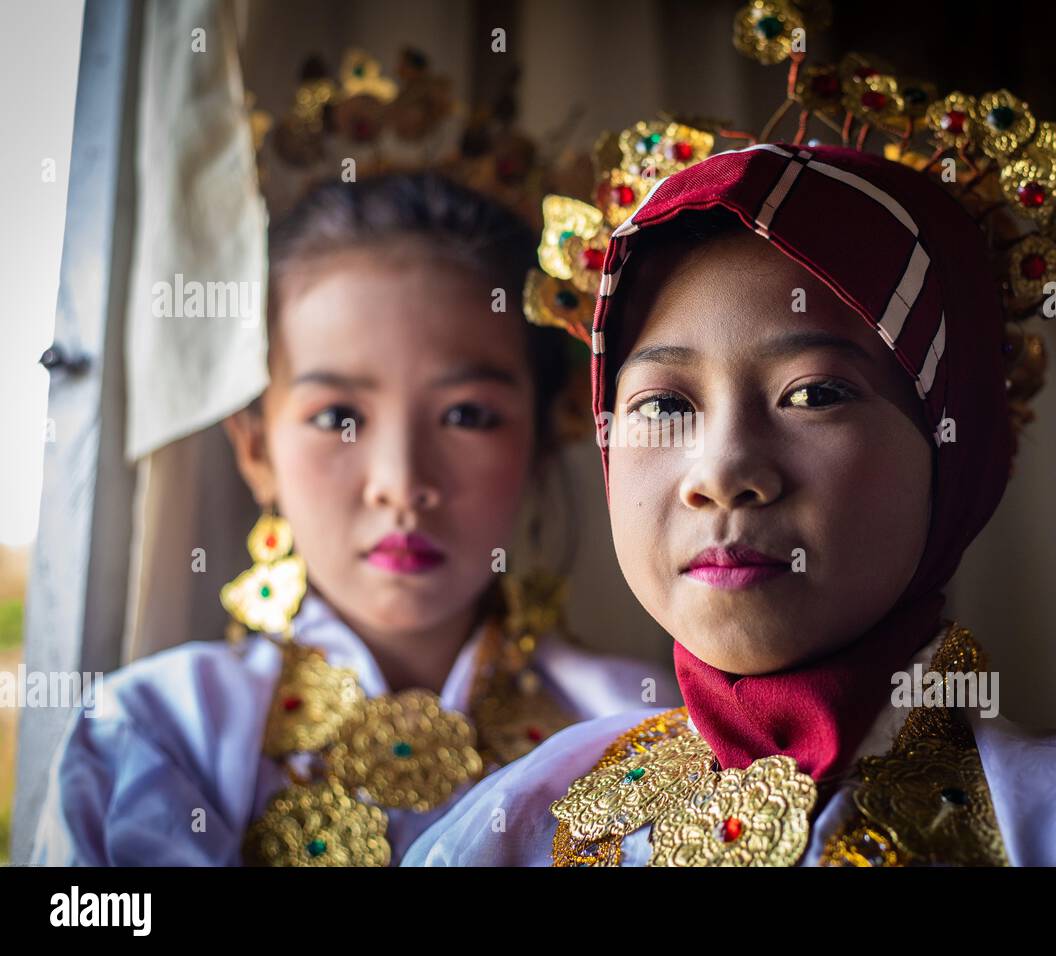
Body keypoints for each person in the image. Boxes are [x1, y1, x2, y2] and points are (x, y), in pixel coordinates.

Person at [402, 144, 1056, 866]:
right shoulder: (521, 825)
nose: (722, 472)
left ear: (960, 449)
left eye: (815, 394)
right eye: (665, 404)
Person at [32, 172, 677, 867]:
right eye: (339, 417)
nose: (402, 485)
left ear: (545, 439)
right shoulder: (159, 734)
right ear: (257, 448)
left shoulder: (644, 735)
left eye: (467, 415)